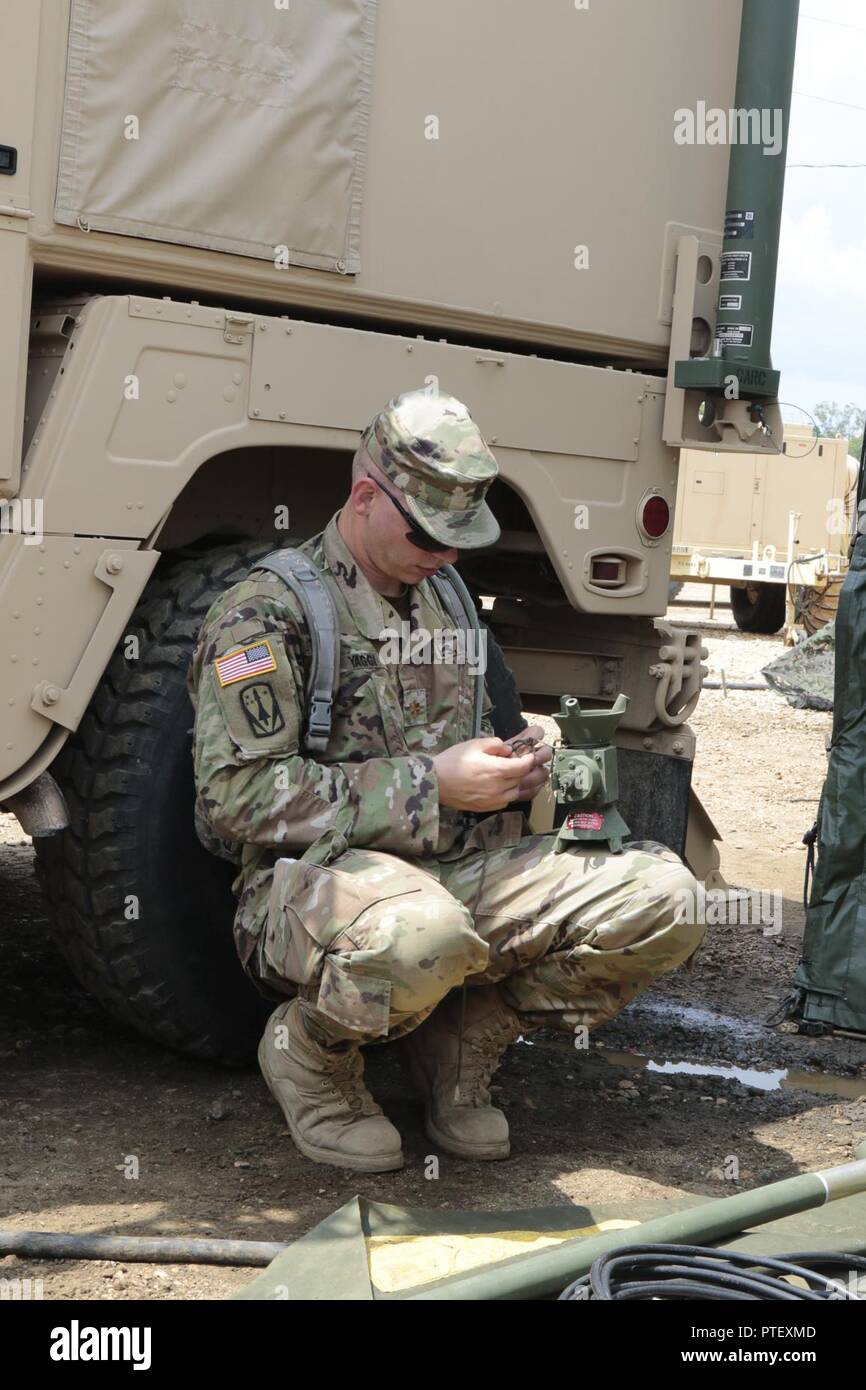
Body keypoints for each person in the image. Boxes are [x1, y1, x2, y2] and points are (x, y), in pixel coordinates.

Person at [187, 389, 703, 1171]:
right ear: (366, 498)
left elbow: (482, 733)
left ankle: (463, 1036)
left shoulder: (448, 601)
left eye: (463, 538)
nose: (449, 554)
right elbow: (234, 800)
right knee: (419, 932)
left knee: (665, 900)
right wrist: (430, 784)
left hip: (454, 873)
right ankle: (313, 1055)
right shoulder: (266, 613)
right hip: (315, 889)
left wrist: (517, 766)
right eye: (430, 533)